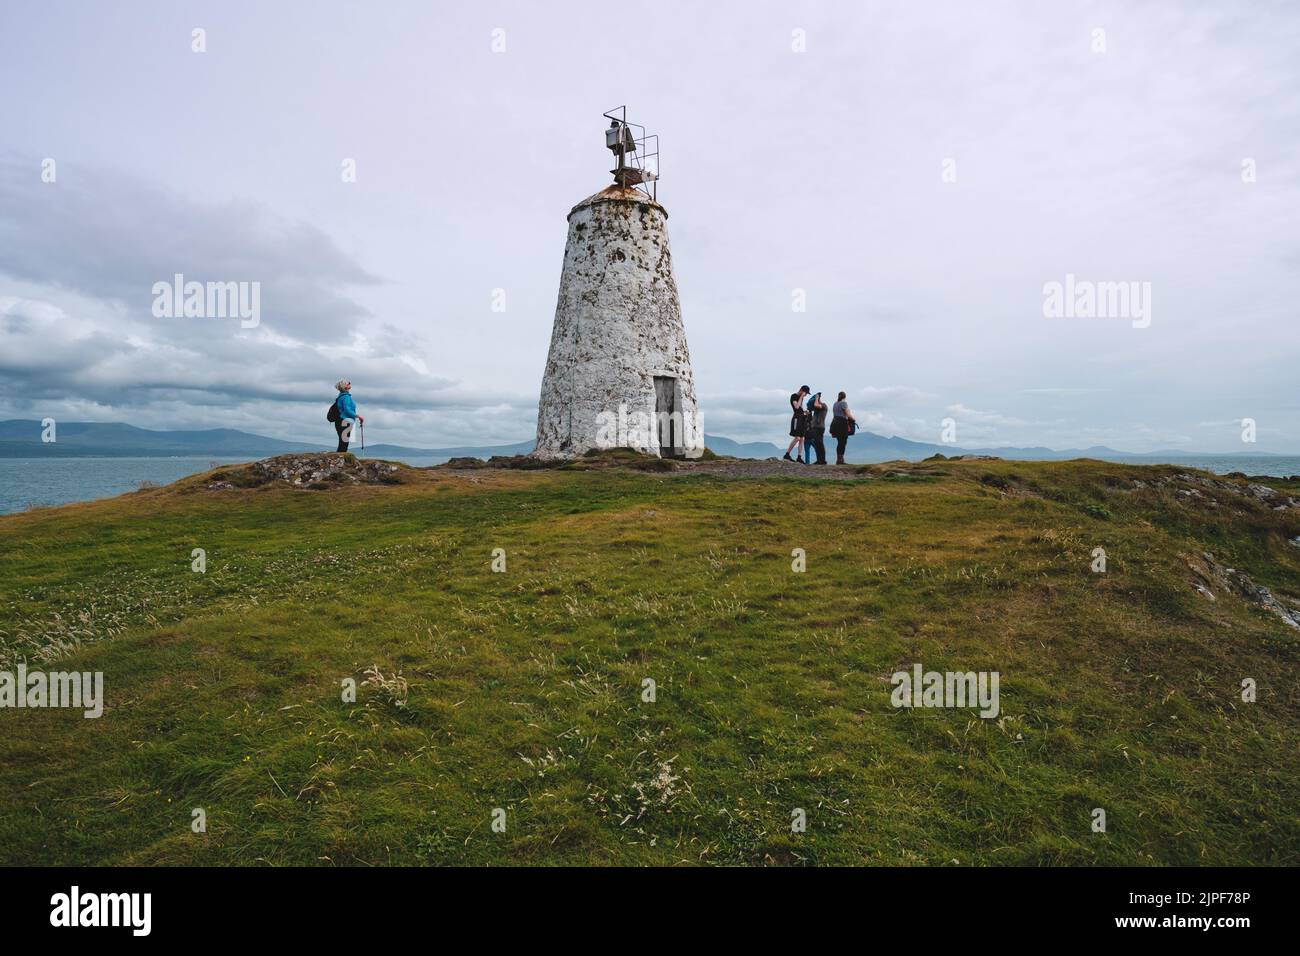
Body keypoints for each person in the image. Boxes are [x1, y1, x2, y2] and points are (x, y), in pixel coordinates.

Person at [332, 379, 364, 452]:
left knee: (343, 441)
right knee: (344, 442)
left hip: (341, 421)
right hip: (345, 421)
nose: (349, 384)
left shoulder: (341, 396)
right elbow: (347, 410)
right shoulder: (346, 397)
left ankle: (340, 458)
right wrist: (358, 416)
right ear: (345, 386)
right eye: (348, 384)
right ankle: (340, 459)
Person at [783, 385, 811, 463]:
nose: (805, 395)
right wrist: (801, 397)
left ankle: (799, 457)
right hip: (796, 419)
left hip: (802, 419)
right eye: (805, 393)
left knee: (802, 438)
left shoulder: (800, 398)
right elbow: (796, 407)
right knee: (797, 438)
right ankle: (787, 454)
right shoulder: (794, 396)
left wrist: (805, 412)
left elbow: (800, 409)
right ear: (802, 390)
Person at [829, 391, 856, 465]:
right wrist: (853, 419)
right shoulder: (844, 403)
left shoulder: (835, 404)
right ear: (845, 397)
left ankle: (839, 459)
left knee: (839, 442)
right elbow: (847, 414)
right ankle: (841, 460)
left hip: (835, 423)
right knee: (843, 442)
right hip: (842, 424)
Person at [804, 391, 828, 465]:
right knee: (817, 444)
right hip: (815, 427)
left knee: (820, 444)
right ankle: (819, 460)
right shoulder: (816, 408)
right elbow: (813, 407)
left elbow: (816, 405)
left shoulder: (823, 405)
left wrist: (817, 398)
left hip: (819, 427)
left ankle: (823, 460)